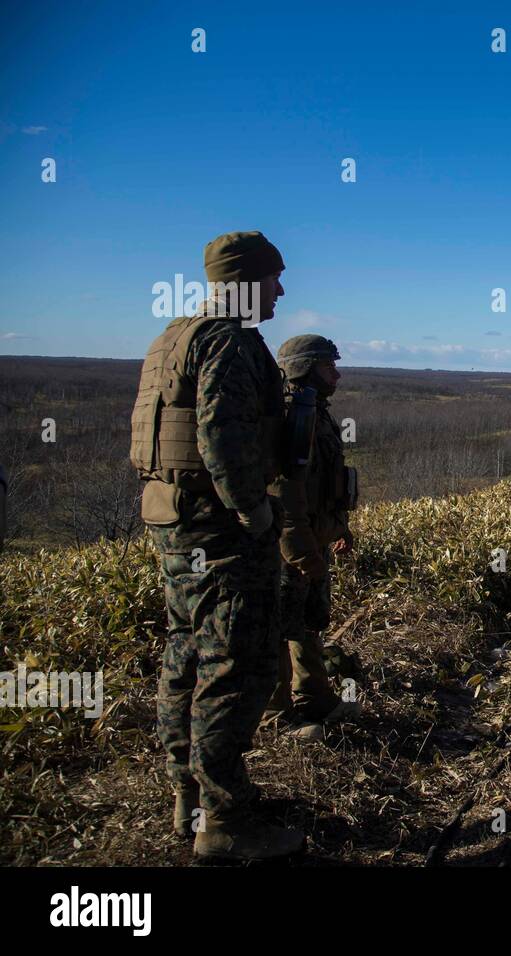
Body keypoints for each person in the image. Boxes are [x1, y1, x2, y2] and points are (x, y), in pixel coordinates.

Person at [129, 230, 303, 860]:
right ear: (244, 279)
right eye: (274, 277)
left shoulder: (174, 335)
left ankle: (190, 796)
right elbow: (220, 436)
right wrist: (255, 512)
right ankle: (227, 823)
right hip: (219, 527)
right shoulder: (229, 340)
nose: (281, 289)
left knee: (186, 655)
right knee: (237, 663)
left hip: (173, 521)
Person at [262, 334, 359, 740]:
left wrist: (339, 528)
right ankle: (275, 718)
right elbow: (285, 492)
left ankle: (315, 699)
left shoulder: (314, 411)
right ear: (304, 368)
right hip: (292, 546)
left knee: (307, 624)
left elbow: (322, 484)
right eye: (327, 366)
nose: (336, 373)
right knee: (278, 629)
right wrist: (300, 550)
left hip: (314, 538)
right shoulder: (294, 415)